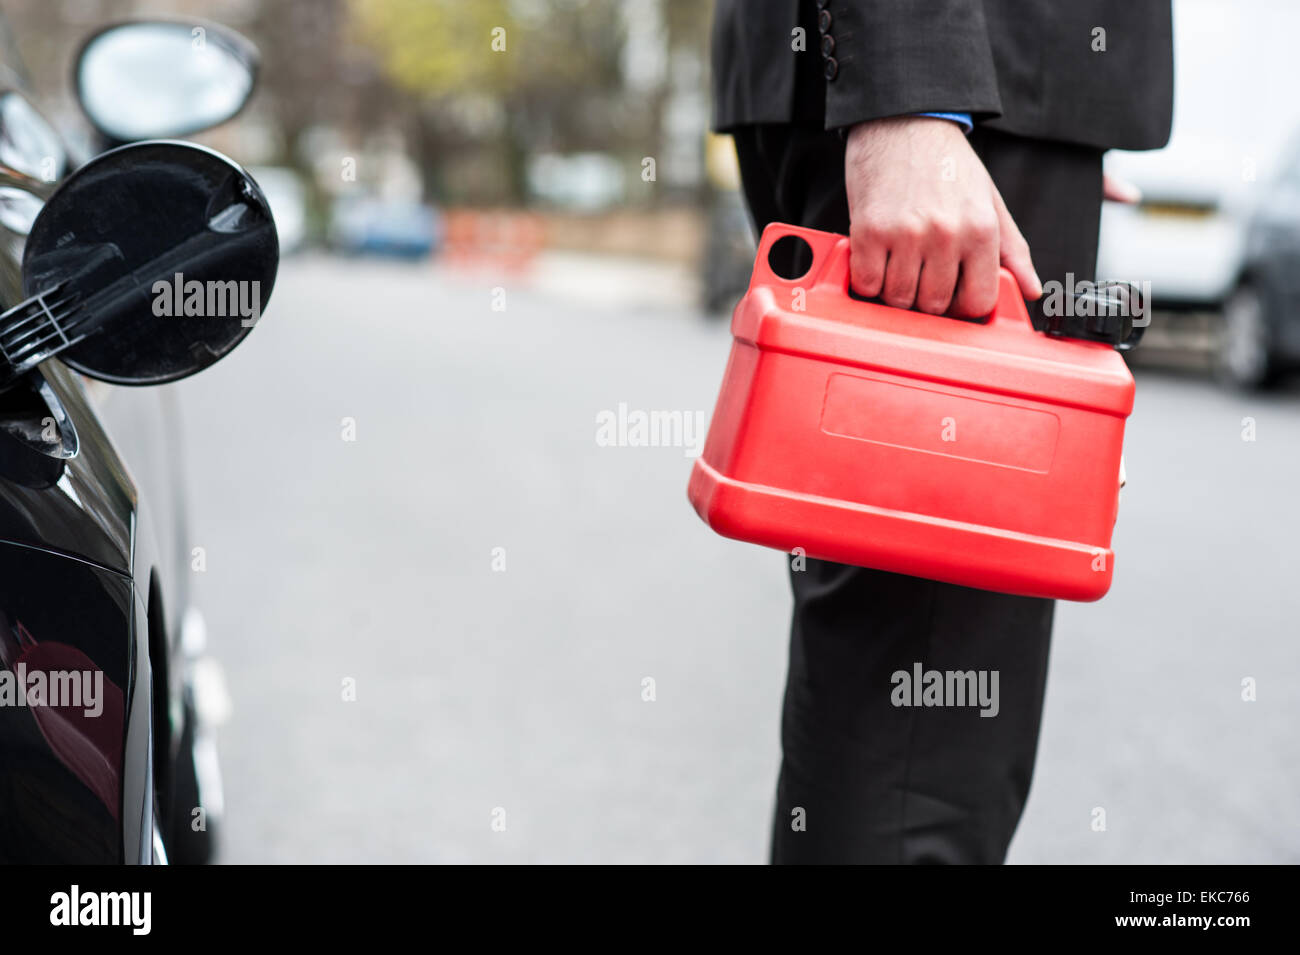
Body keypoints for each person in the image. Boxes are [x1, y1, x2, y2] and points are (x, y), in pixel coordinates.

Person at [710, 0, 1173, 864]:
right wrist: (913, 104)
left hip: (985, 89)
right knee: (918, 770)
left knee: (902, 720)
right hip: (946, 78)